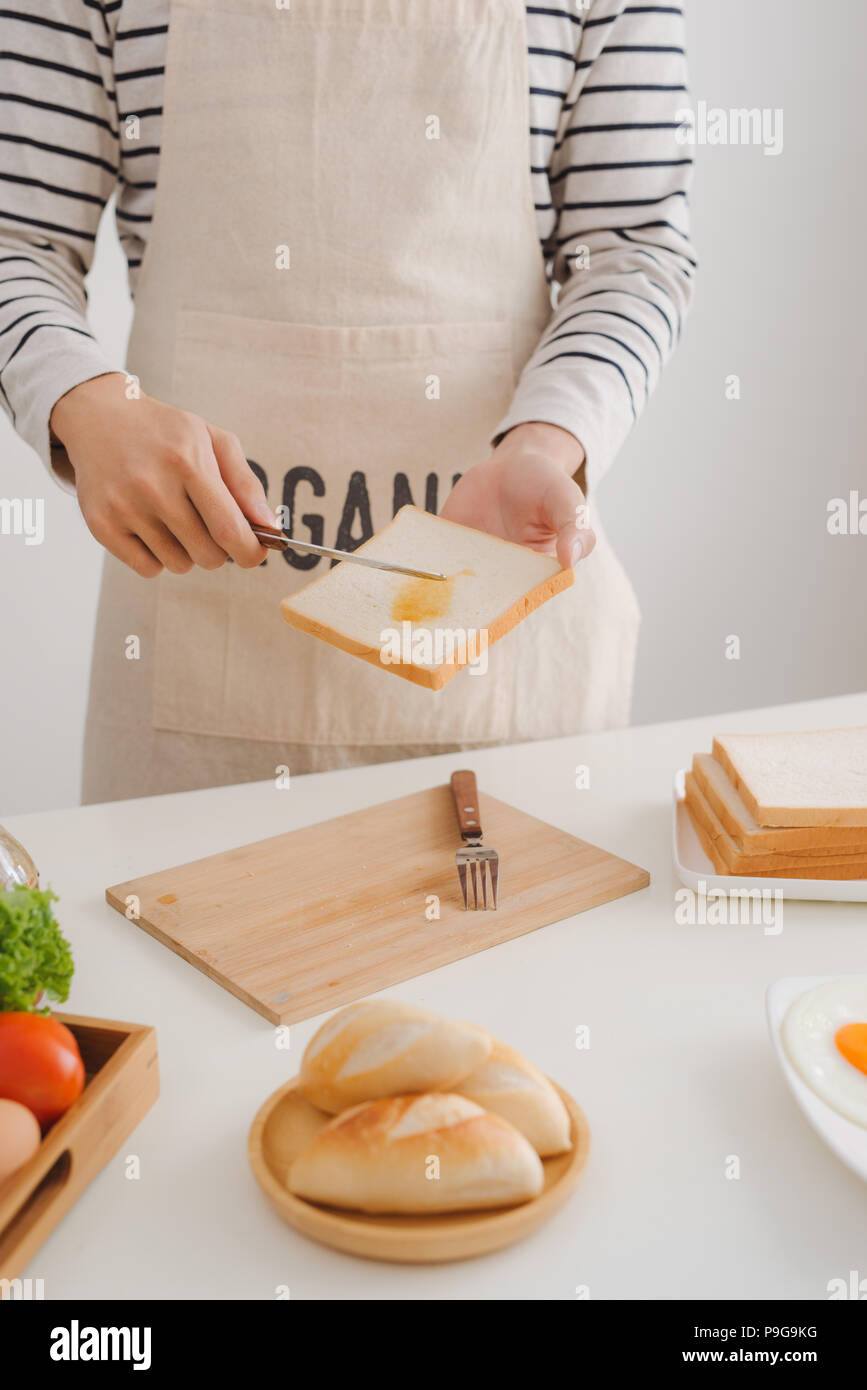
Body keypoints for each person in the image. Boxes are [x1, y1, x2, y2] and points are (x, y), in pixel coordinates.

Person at [0, 0, 696, 802]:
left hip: (505, 669)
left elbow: (630, 251)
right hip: (195, 673)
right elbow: (20, 239)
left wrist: (545, 443)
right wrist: (87, 405)